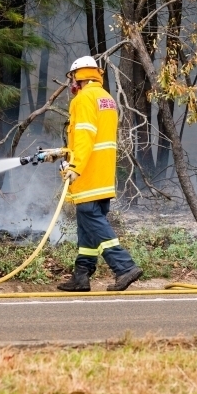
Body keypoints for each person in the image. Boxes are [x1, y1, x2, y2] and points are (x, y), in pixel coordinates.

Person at [56, 55, 142, 293]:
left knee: (92, 220)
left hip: (88, 174)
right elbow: (94, 137)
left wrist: (75, 168)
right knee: (87, 224)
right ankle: (81, 276)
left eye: (72, 77)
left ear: (78, 75)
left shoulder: (84, 99)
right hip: (103, 173)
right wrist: (64, 153)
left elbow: (84, 136)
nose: (71, 81)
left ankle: (124, 267)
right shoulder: (106, 98)